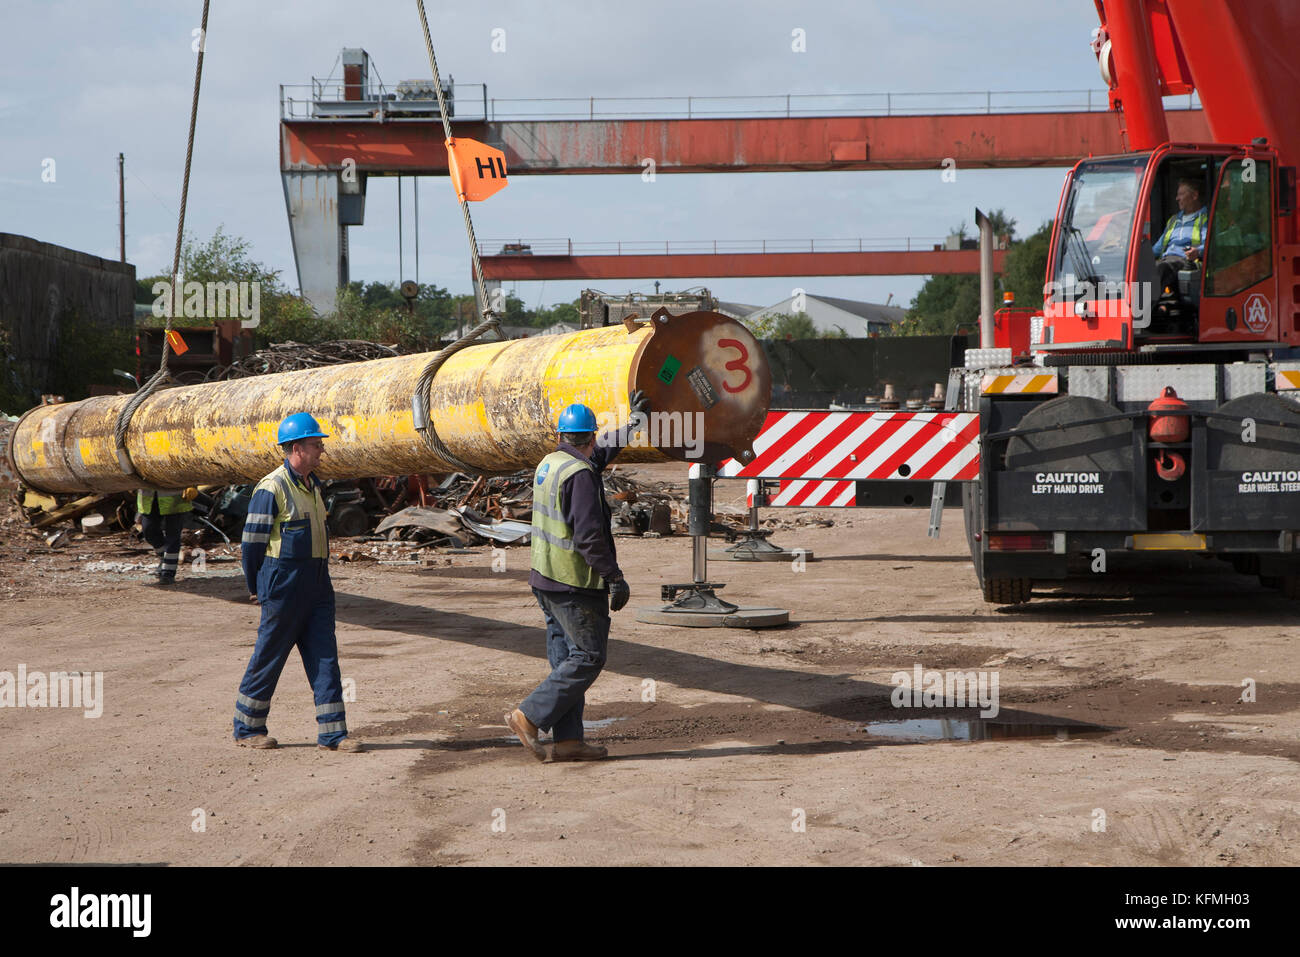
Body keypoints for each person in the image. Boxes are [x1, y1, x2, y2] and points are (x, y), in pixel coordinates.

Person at [506, 390, 649, 763]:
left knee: (564, 661)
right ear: (590, 436)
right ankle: (529, 715)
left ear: (560, 436)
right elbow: (588, 537)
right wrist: (613, 577)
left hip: (544, 580)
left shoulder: (552, 463)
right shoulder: (582, 476)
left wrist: (632, 425)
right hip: (574, 583)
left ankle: (569, 742)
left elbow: (599, 455)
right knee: (587, 657)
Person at [232, 412, 362, 753]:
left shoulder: (314, 486)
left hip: (317, 585)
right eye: (315, 444)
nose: (321, 451)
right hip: (283, 585)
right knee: (269, 656)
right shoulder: (271, 488)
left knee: (325, 657)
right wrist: (256, 586)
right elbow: (252, 545)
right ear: (294, 448)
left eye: (320, 444)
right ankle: (247, 729)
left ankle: (333, 734)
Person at [1152, 178, 1209, 295]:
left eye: (1181, 194)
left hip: (1186, 260)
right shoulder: (1174, 220)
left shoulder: (1206, 218)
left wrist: (1197, 251)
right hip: (1166, 260)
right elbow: (1158, 247)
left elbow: (1210, 244)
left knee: (1161, 268)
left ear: (1194, 195)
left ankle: (1141, 310)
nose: (1177, 198)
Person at [136, 487, 194, 584]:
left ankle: (168, 574)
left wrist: (193, 485)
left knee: (172, 536)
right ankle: (164, 559)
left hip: (175, 498)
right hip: (149, 497)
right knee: (149, 531)